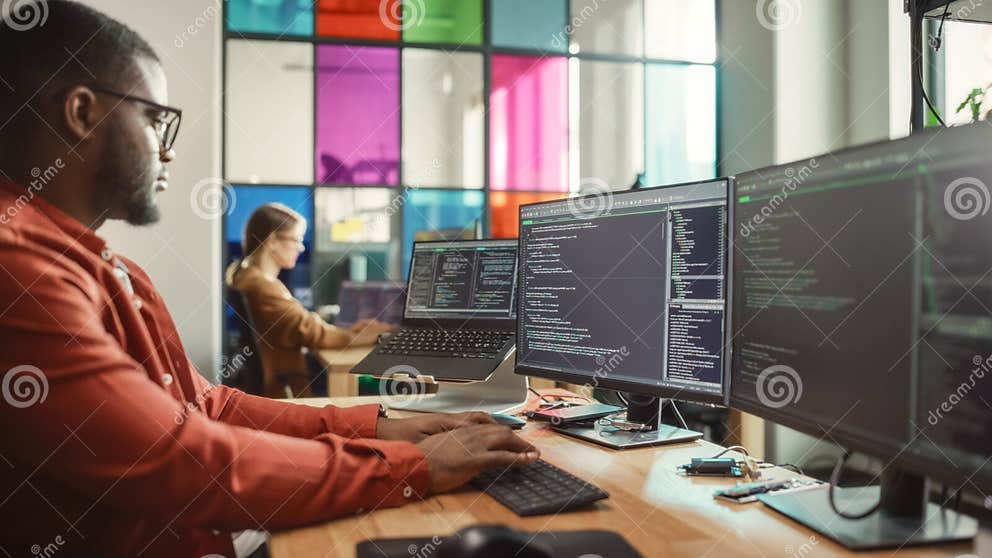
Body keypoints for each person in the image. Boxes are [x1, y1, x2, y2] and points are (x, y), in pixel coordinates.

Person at [0, 3, 539, 558]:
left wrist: (379, 428)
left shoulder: (102, 266)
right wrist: (413, 466)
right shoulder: (19, 271)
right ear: (82, 112)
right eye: (156, 119)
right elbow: (181, 459)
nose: (168, 148)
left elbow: (206, 407)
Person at [226, 202, 393, 398]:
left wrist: (349, 330)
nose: (301, 247)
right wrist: (371, 335)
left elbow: (297, 323)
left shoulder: (246, 275)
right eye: (296, 239)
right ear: (271, 240)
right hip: (286, 389)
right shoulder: (262, 285)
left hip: (282, 375)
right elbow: (313, 334)